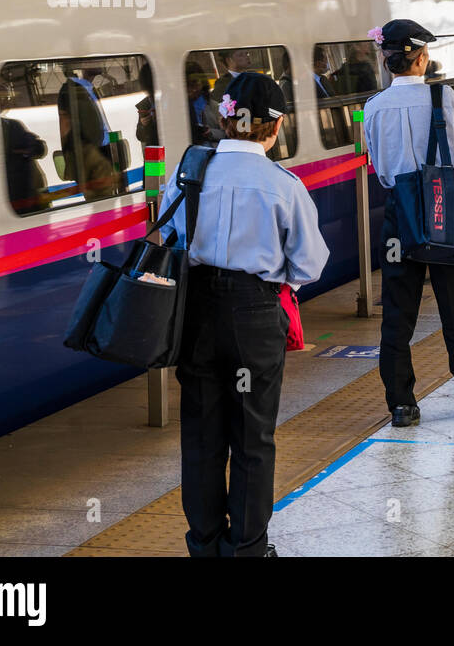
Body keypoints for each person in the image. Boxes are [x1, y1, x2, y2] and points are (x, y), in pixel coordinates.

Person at [165, 72, 329, 558]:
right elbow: (310, 263)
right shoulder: (283, 184)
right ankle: (248, 548)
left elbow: (174, 238)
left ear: (222, 118)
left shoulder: (192, 172)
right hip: (254, 315)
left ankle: (205, 544)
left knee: (201, 434)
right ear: (274, 127)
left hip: (195, 314)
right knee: (252, 436)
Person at [362, 19, 454, 428]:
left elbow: (379, 167)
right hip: (445, 213)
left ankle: (401, 404)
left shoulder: (374, 105)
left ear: (387, 61)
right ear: (421, 57)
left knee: (398, 314)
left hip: (400, 216)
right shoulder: (444, 97)